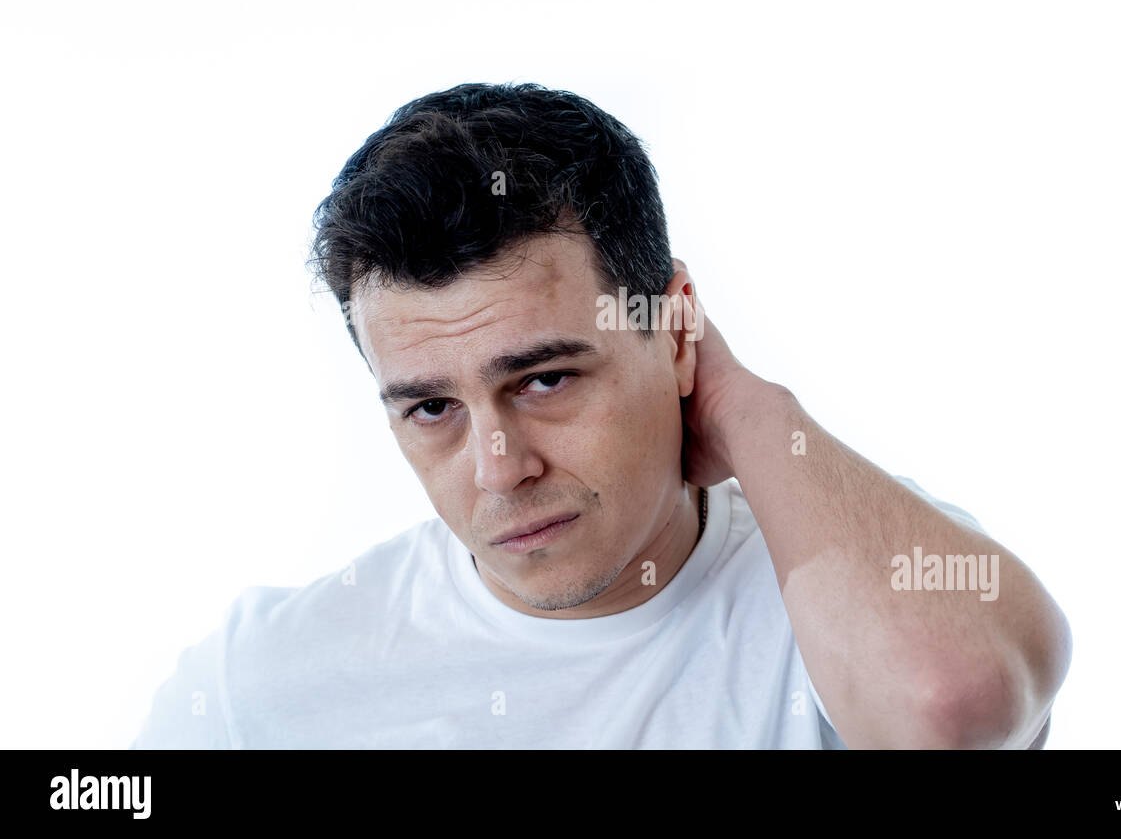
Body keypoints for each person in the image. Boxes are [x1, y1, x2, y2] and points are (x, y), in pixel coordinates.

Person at [130, 82, 1070, 749]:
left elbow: (955, 707)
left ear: (672, 330)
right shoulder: (264, 684)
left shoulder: (848, 586)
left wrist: (746, 412)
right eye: (429, 406)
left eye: (543, 380)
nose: (499, 470)